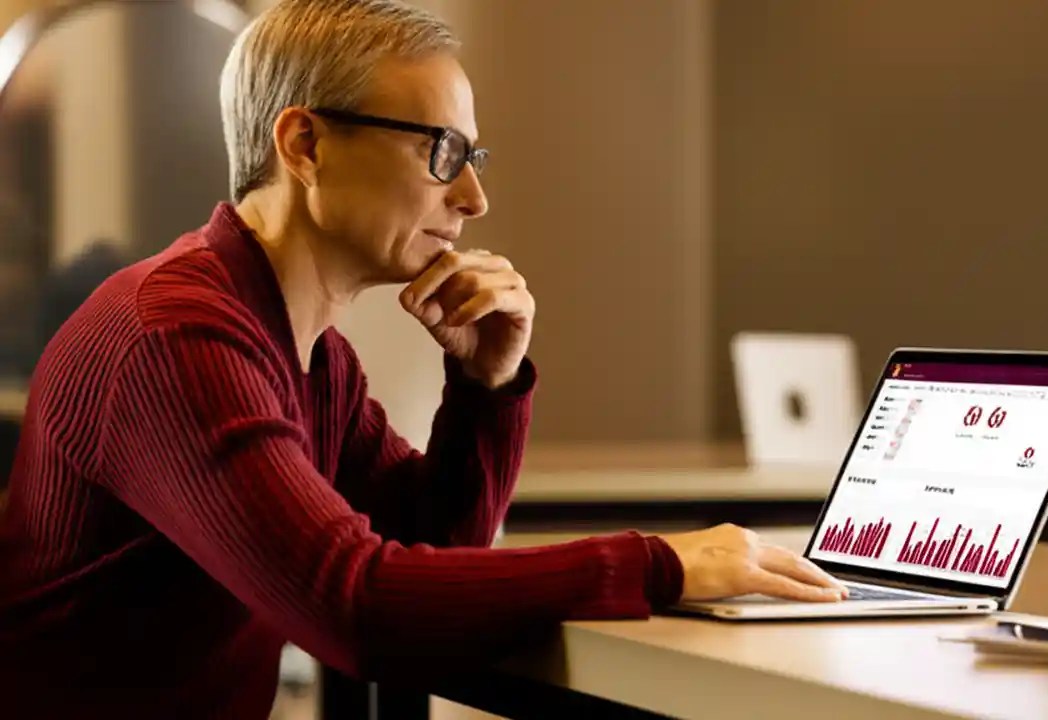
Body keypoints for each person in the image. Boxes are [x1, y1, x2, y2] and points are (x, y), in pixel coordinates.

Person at [0, 1, 847, 717]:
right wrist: (658, 565)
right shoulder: (176, 334)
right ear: (305, 145)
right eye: (441, 150)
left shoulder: (309, 353)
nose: (474, 197)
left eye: (471, 157)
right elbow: (356, 606)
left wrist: (486, 387)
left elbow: (435, 552)